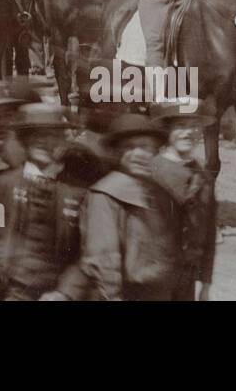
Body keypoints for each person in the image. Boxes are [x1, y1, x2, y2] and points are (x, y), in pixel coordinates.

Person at [0, 103, 97, 301]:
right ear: (25, 140)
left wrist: (65, 293)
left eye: (53, 136)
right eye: (37, 135)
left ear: (64, 142)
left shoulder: (78, 192)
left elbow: (88, 252)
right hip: (12, 291)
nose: (45, 142)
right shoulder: (2, 186)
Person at [68, 113, 177, 301]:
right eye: (129, 147)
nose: (139, 155)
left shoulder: (159, 192)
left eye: (145, 147)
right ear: (117, 153)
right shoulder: (105, 195)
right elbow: (104, 259)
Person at [150, 101, 218, 301]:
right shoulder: (152, 171)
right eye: (181, 126)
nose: (188, 133)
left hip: (186, 276)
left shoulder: (204, 178)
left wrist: (206, 284)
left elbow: (209, 233)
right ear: (168, 130)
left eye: (194, 126)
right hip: (154, 275)